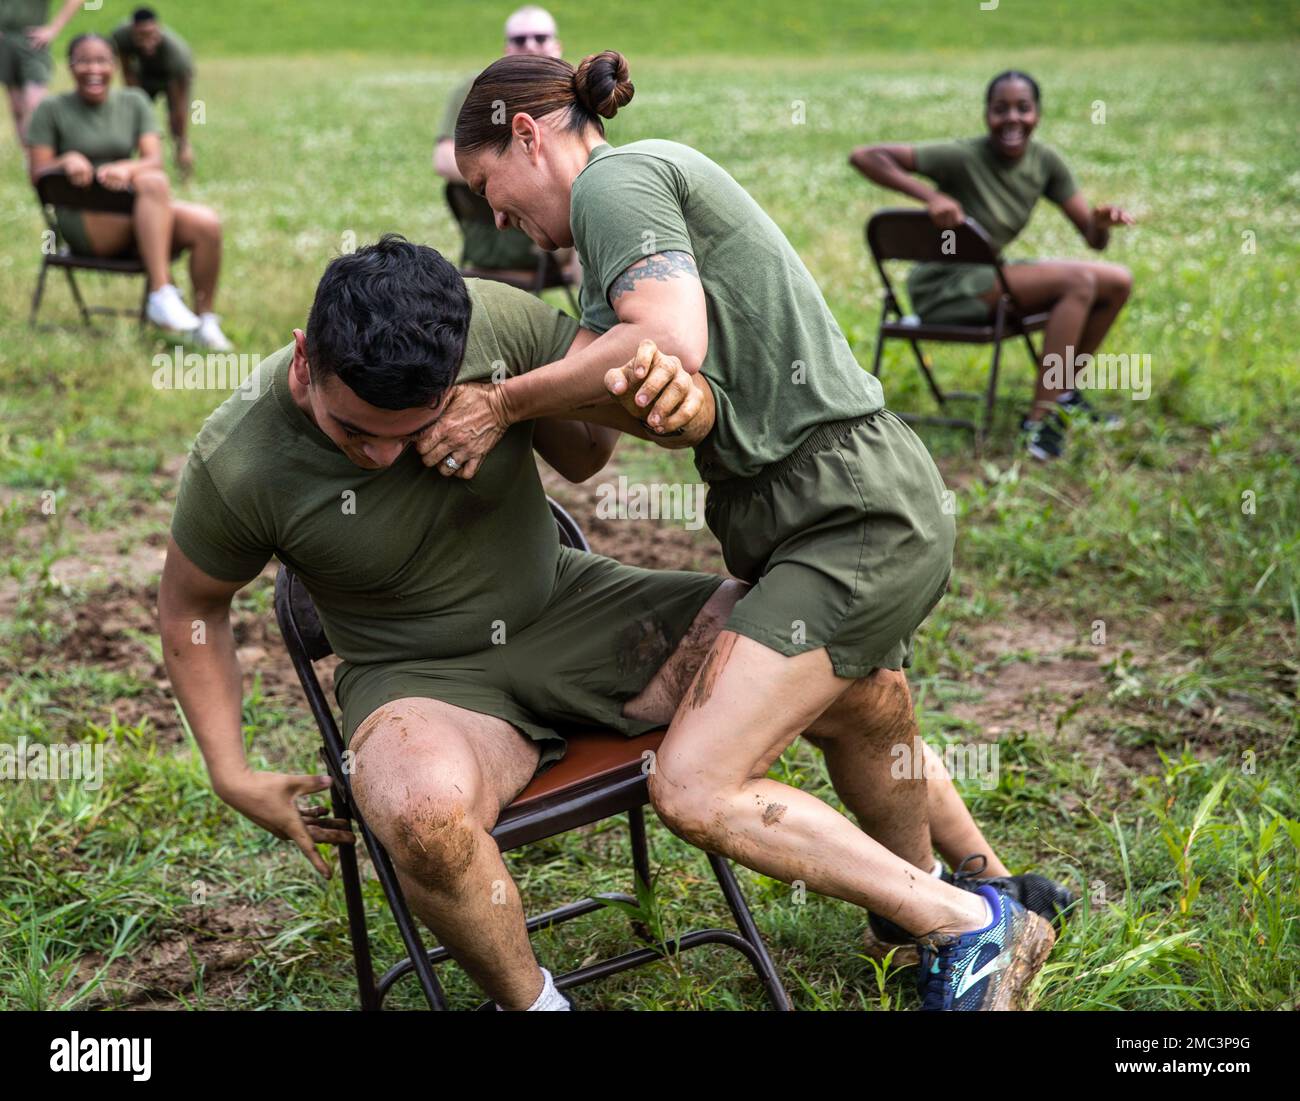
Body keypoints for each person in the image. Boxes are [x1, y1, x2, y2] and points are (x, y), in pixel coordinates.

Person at [159, 236, 1056, 1012]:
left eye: (413, 428)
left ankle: (926, 920)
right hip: (421, 680)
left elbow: (587, 456)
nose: (389, 455)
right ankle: (537, 1001)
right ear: (306, 357)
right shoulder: (238, 459)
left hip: (575, 609)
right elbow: (194, 606)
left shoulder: (492, 321)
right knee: (418, 812)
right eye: (359, 435)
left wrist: (519, 398)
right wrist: (232, 771)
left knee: (842, 662)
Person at [416, 51, 1069, 1007]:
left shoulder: (616, 182)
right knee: (864, 704)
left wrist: (503, 402)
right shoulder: (609, 238)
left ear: (527, 134)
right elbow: (638, 412)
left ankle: (968, 927)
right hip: (826, 508)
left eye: (488, 188)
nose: (495, 213)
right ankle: (985, 882)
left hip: (848, 513)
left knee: (694, 784)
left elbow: (667, 340)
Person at [851, 70, 1136, 460]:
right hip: (945, 288)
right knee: (1079, 282)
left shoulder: (1045, 162)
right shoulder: (963, 156)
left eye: (1023, 108)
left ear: (1038, 113)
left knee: (1118, 281)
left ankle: (1062, 390)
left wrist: (1101, 224)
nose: (1012, 119)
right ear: (987, 114)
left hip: (991, 275)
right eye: (1001, 109)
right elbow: (864, 156)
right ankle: (1040, 421)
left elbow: (1093, 239)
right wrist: (930, 196)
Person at [27, 33, 231, 348]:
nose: (93, 68)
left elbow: (153, 159)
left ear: (115, 65)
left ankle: (204, 321)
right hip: (86, 222)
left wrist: (126, 167)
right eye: (84, 60)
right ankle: (161, 293)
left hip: (135, 211)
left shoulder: (134, 102)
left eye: (102, 60)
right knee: (155, 184)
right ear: (70, 66)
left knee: (206, 223)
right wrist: (65, 161)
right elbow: (37, 173)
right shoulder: (51, 109)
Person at [433, 6, 577, 282]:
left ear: (557, 46)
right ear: (506, 49)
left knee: (596, 221)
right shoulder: (478, 90)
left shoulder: (572, 90)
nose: (531, 45)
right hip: (501, 239)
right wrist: (518, 174)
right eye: (520, 40)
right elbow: (443, 159)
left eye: (540, 37)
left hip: (566, 236)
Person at [110, 6, 196, 179]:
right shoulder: (121, 36)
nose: (148, 42)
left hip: (172, 78)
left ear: (158, 29)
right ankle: (130, 166)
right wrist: (136, 106)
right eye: (141, 36)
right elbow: (127, 72)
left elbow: (179, 106)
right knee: (131, 121)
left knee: (177, 129)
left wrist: (180, 131)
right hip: (144, 76)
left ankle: (185, 171)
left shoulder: (177, 53)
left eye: (152, 35)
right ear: (132, 31)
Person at [0, 0, 81, 149]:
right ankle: (31, 161)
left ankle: (48, 153)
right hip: (5, 42)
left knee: (35, 105)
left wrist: (54, 29)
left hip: (32, 40)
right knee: (17, 107)